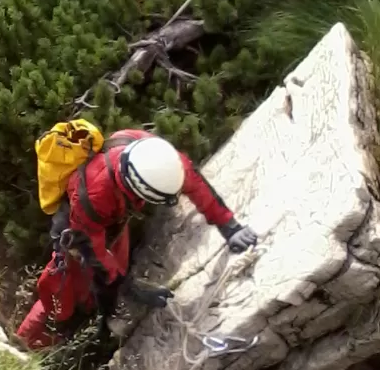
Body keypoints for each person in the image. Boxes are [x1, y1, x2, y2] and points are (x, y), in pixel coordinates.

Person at [16, 128, 258, 350]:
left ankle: (94, 317)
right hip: (78, 229)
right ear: (135, 190)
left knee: (107, 281)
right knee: (64, 290)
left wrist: (229, 226)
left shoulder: (156, 157)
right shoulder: (94, 195)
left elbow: (195, 184)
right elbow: (97, 256)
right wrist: (129, 288)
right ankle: (25, 340)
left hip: (112, 218)